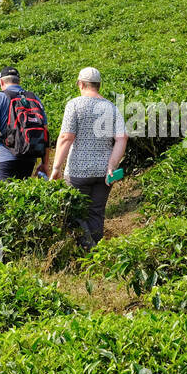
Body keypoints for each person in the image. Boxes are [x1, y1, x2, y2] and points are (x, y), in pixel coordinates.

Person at [50, 66, 127, 249]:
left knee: (76, 213)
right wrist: (111, 165)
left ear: (81, 84)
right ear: (99, 85)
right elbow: (122, 138)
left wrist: (56, 167)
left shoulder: (74, 105)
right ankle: (95, 254)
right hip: (103, 173)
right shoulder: (111, 107)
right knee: (96, 213)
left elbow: (66, 137)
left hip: (78, 170)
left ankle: (85, 251)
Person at [0, 66, 51, 181]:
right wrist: (45, 163)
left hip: (7, 156)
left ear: (1, 82)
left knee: (8, 195)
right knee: (23, 195)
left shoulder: (0, 97)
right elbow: (45, 132)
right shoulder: (34, 98)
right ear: (19, 81)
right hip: (29, 156)